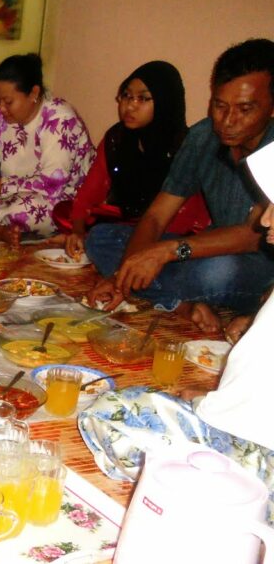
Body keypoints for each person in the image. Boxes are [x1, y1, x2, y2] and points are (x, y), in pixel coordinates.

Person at [78, 139, 274, 523]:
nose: (264, 218)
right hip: (244, 420)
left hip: (257, 453)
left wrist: (212, 407)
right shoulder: (200, 140)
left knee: (106, 413)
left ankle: (218, 503)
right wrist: (221, 393)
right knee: (105, 237)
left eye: (272, 205)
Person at [85, 38, 274, 334]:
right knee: (102, 237)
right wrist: (126, 272)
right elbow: (157, 216)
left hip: (258, 267)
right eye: (219, 105)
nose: (227, 120)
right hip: (205, 249)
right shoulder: (203, 136)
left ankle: (172, 294)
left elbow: (253, 237)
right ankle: (180, 302)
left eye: (245, 109)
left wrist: (165, 252)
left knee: (215, 271)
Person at [54, 61, 210, 259]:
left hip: (170, 236)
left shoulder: (186, 146)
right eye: (126, 96)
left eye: (143, 98)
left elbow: (188, 220)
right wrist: (77, 231)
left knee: (106, 240)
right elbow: (89, 193)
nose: (130, 105)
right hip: (124, 225)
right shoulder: (117, 138)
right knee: (66, 213)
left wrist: (145, 246)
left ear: (165, 102)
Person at [0, 53, 96, 246]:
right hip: (11, 192)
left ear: (33, 93)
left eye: (8, 102)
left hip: (61, 201)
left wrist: (4, 185)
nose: (0, 108)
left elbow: (53, 183)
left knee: (22, 209)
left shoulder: (60, 118)